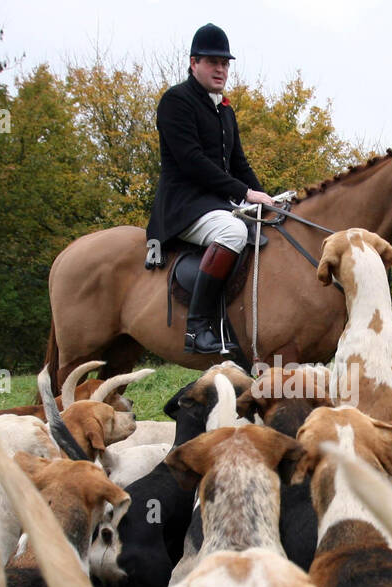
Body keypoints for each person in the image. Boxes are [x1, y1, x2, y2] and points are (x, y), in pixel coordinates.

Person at [146, 23, 275, 355]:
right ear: (193, 63)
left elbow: (239, 163)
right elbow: (191, 162)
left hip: (216, 203)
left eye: (226, 63)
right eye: (212, 62)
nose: (221, 69)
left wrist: (267, 201)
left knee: (268, 228)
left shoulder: (224, 109)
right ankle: (197, 327)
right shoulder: (176, 101)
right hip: (183, 207)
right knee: (233, 233)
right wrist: (244, 194)